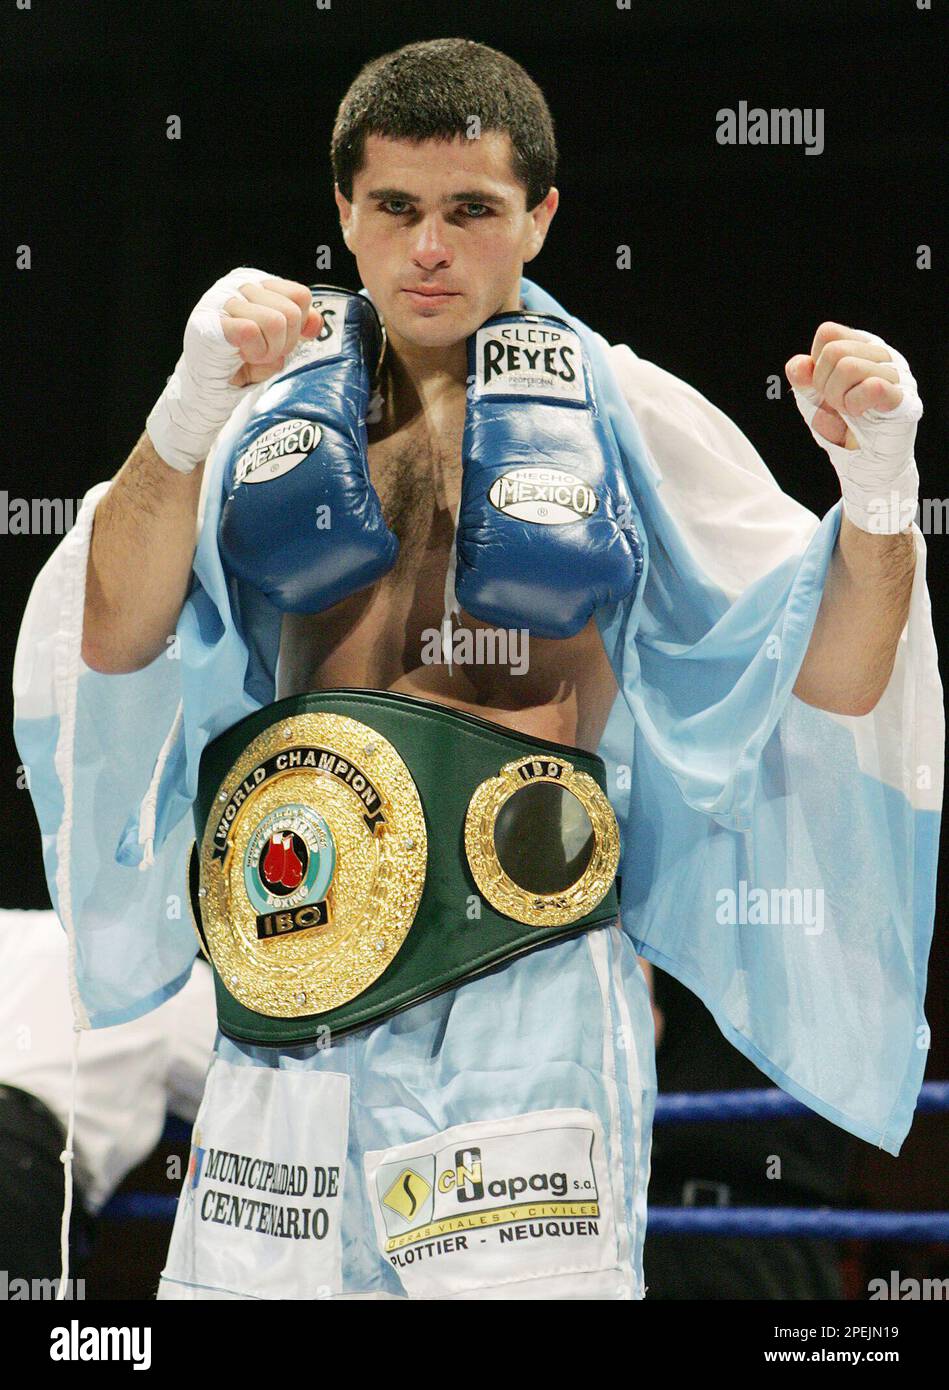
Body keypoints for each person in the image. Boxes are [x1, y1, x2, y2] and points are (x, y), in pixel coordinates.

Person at [13, 39, 941, 1300]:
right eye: (393, 209)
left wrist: (880, 488)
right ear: (344, 208)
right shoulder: (253, 404)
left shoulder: (626, 414)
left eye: (471, 211)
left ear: (540, 219)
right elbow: (109, 637)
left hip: (526, 993)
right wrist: (181, 412)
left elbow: (832, 685)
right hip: (291, 992)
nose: (428, 248)